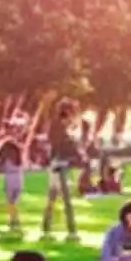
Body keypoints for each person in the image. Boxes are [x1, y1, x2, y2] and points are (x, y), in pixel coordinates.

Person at [42, 98, 82, 243]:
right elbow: (61, 146)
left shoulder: (62, 127)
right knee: (65, 199)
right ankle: (71, 230)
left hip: (59, 164)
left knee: (54, 198)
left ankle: (47, 228)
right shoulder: (58, 127)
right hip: (59, 165)